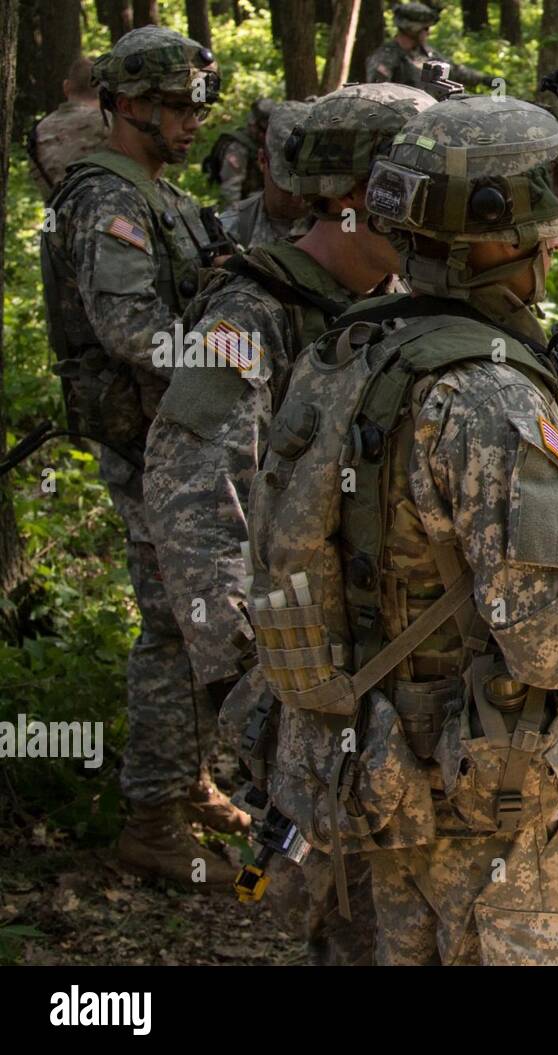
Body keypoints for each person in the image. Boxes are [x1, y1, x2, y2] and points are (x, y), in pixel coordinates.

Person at [241, 86, 558, 965]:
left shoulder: (346, 350)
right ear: (507, 241)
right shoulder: (493, 395)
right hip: (491, 806)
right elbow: (552, 639)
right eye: (547, 226)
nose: (556, 245)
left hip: (378, 771)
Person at [143, 82, 436, 962]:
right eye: (408, 180)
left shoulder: (396, 302)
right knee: (342, 917)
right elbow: (195, 498)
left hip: (389, 673)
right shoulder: (253, 310)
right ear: (353, 195)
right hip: (305, 685)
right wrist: (253, 684)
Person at [39, 27, 239, 887]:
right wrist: (232, 351)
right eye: (175, 108)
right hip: (145, 436)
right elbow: (130, 330)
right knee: (175, 626)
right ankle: (152, 818)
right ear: (126, 107)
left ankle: (185, 782)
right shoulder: (107, 199)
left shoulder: (157, 192)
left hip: (173, 433)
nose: (192, 124)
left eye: (199, 107)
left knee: (191, 621)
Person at [217, 100, 311, 250]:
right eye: (287, 182)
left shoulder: (338, 221)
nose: (298, 195)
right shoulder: (232, 227)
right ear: (262, 160)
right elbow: (230, 189)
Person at [26, 56, 113, 202]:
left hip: (54, 221)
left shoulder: (39, 131)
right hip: (111, 219)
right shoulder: (112, 124)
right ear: (104, 90)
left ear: (66, 86)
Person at [365, 2, 491, 92]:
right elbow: (377, 93)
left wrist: (485, 79)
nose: (428, 32)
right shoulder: (385, 57)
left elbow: (454, 70)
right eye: (425, 28)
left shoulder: (426, 53)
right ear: (411, 29)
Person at [204, 97, 273, 207]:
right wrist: (236, 218)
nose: (265, 135)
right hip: (246, 206)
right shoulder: (237, 147)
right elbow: (231, 190)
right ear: (253, 125)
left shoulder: (270, 143)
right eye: (262, 130)